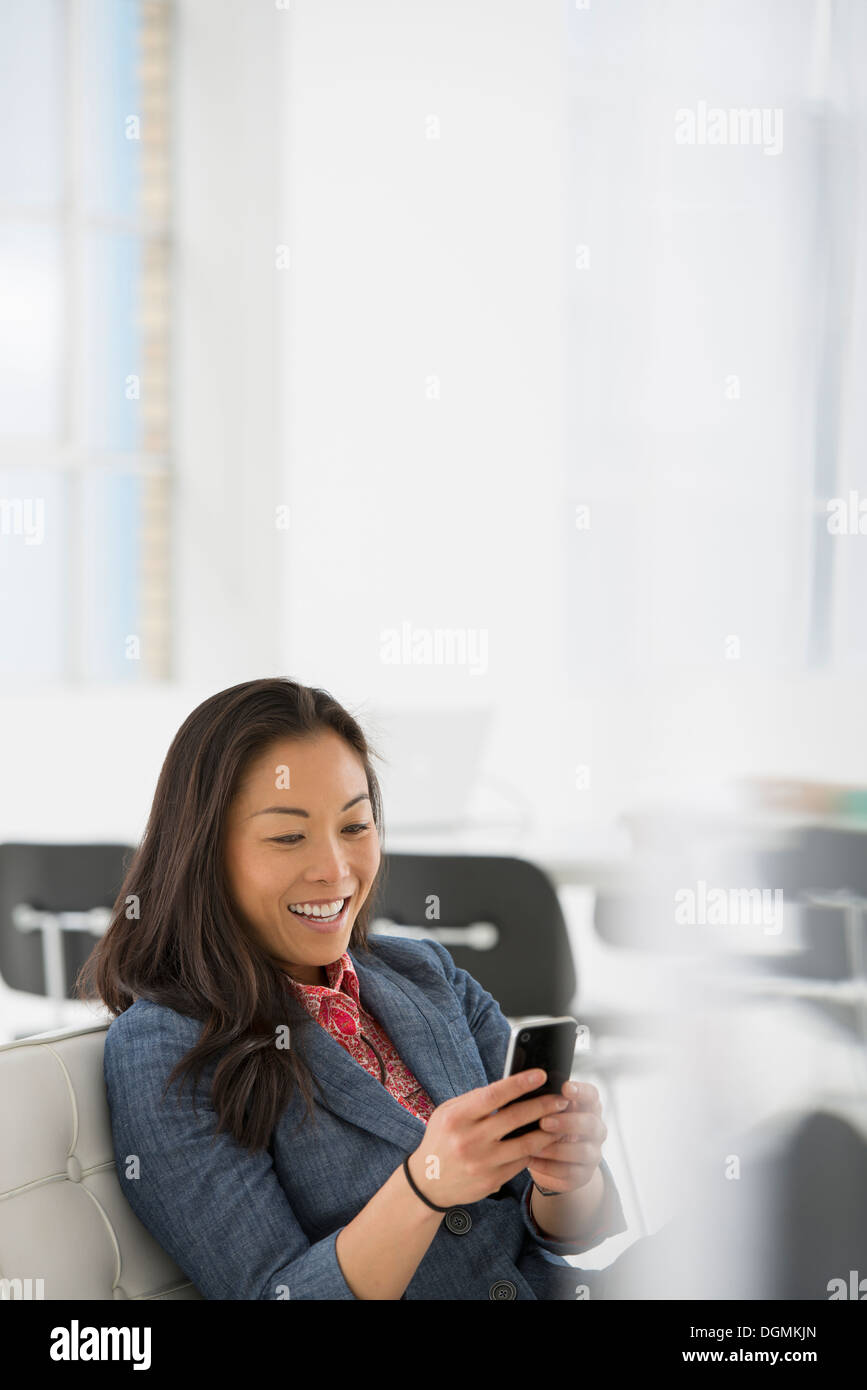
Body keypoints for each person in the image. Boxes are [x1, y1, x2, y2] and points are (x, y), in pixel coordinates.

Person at [78, 677, 630, 1300]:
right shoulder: (162, 1046)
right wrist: (423, 1187)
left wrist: (565, 1177)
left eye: (355, 826)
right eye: (288, 836)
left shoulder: (426, 973)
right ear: (203, 852)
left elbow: (567, 1233)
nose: (336, 870)